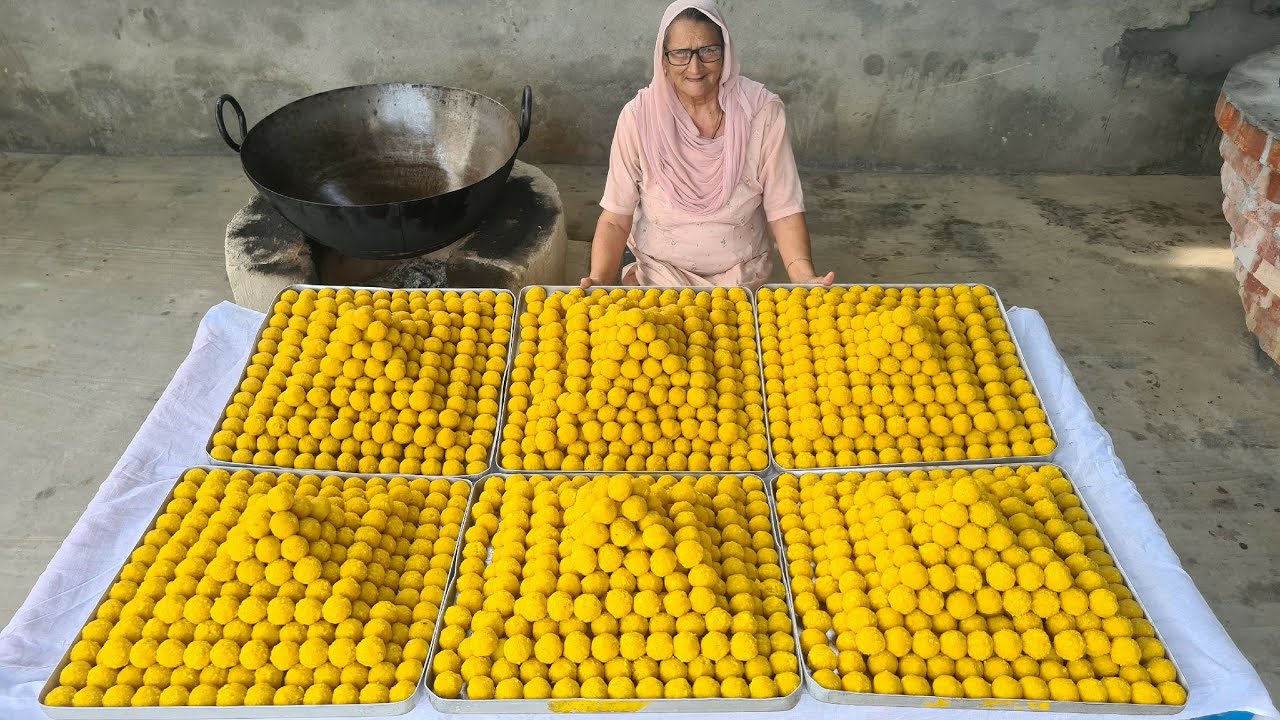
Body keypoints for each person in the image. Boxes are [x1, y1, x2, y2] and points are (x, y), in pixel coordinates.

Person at [580, 0, 833, 290]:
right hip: (657, 278)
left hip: (741, 280)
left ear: (726, 54)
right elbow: (615, 217)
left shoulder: (761, 112)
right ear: (663, 59)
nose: (695, 66)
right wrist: (599, 280)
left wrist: (802, 276)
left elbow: (784, 208)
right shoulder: (639, 118)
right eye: (680, 54)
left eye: (709, 51)